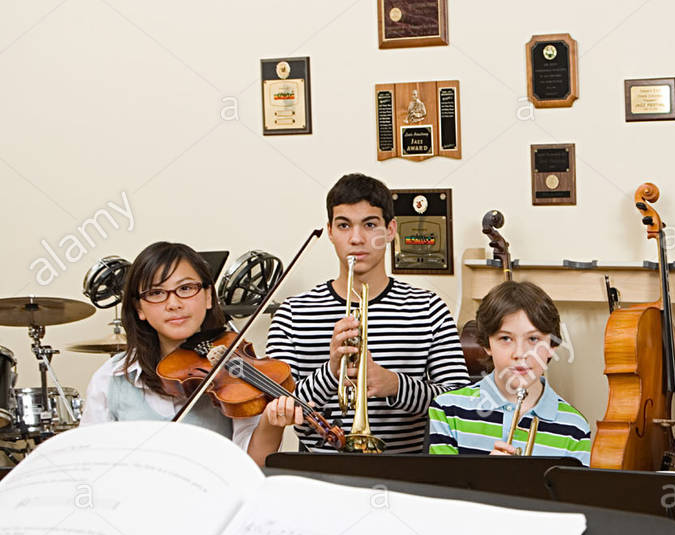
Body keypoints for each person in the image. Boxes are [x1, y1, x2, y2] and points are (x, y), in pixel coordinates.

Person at [266, 173, 470, 454]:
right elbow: (275, 402)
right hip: (320, 474)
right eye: (344, 225)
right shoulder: (291, 313)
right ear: (330, 231)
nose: (356, 238)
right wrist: (331, 372)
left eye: (370, 225)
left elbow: (460, 401)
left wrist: (395, 385)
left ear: (390, 230)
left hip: (405, 473)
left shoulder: (429, 308)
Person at [80, 241, 290, 466]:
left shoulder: (231, 370)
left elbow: (248, 466)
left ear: (208, 296)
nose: (174, 303)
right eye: (156, 292)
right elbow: (90, 462)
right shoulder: (111, 378)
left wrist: (270, 424)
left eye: (186, 288)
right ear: (139, 308)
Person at [428, 280, 591, 463]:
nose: (519, 353)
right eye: (505, 338)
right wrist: (485, 477)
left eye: (533, 339)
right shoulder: (448, 410)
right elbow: (441, 491)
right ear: (487, 344)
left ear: (552, 345)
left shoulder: (575, 428)